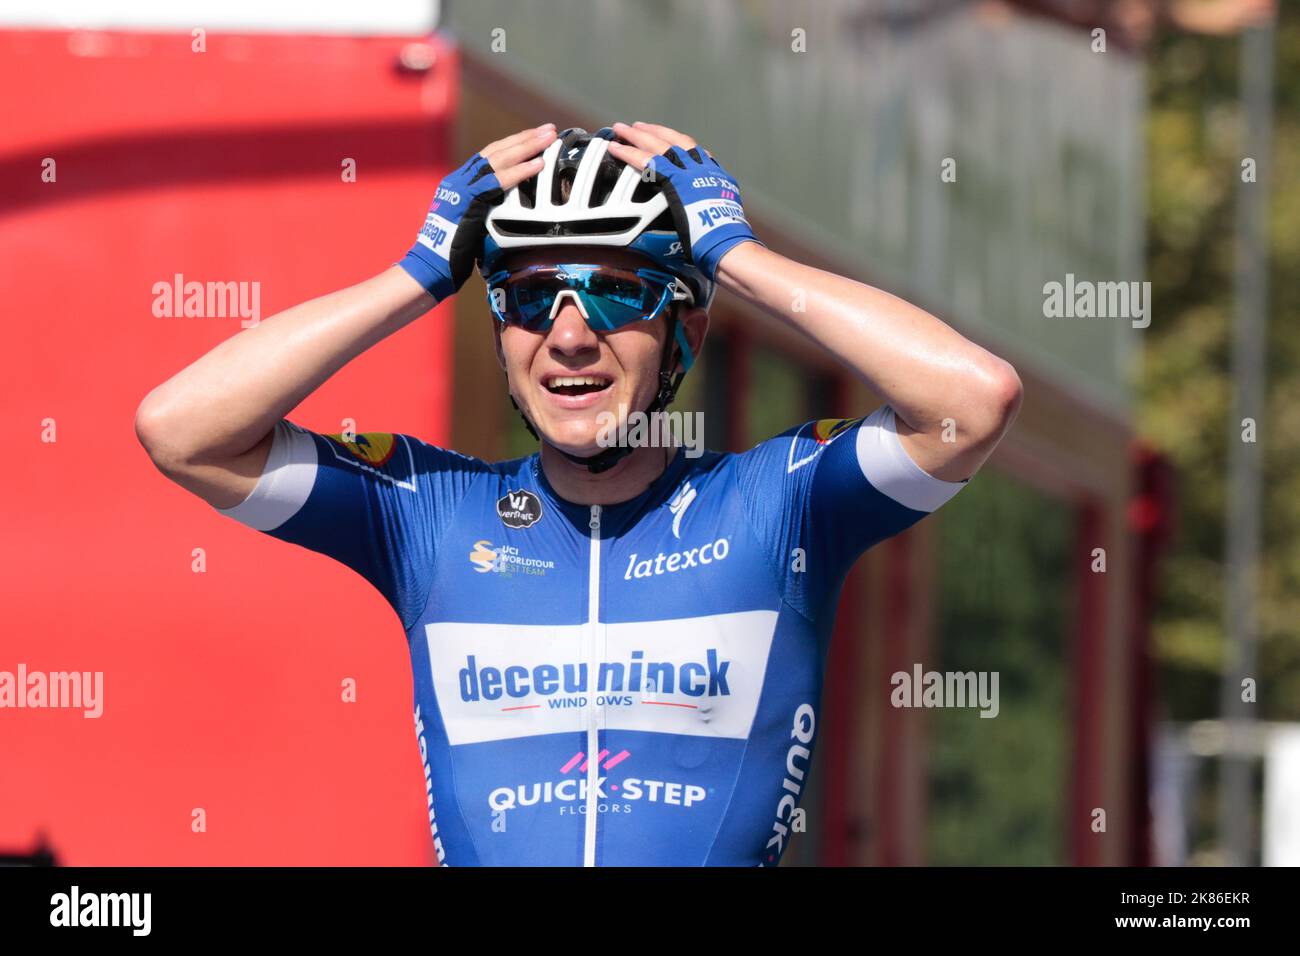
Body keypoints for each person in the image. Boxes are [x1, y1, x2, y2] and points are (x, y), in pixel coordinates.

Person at [135, 121, 1022, 866]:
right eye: (527, 297)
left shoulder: (776, 503)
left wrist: (738, 254)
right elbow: (182, 430)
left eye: (613, 293)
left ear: (686, 330)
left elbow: (972, 402)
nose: (567, 335)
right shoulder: (425, 512)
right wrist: (418, 273)